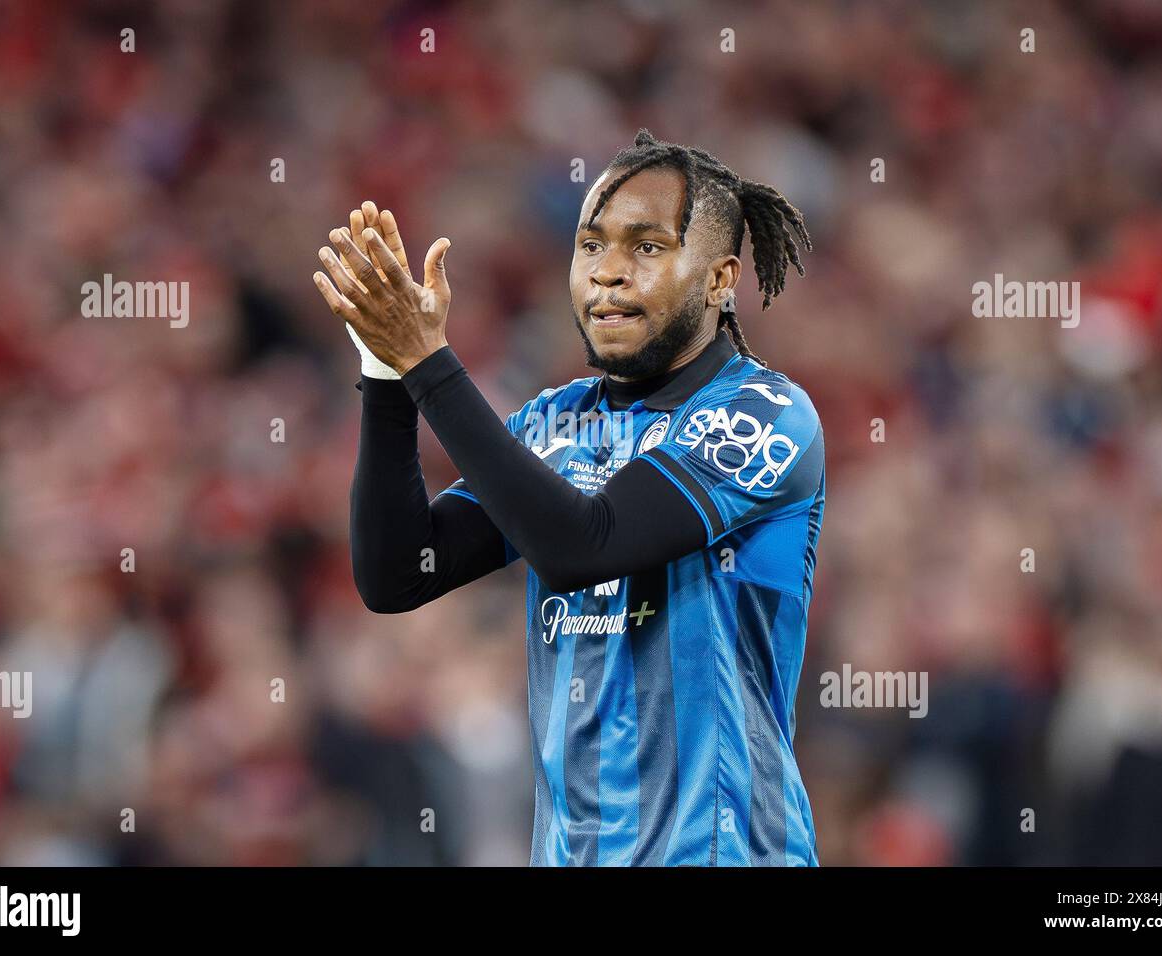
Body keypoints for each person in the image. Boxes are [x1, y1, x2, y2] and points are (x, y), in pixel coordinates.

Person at [313, 130, 825, 866]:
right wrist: (387, 374)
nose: (608, 273)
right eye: (591, 245)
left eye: (646, 247)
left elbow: (583, 547)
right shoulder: (556, 422)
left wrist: (430, 362)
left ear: (719, 279)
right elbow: (400, 573)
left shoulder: (763, 414)